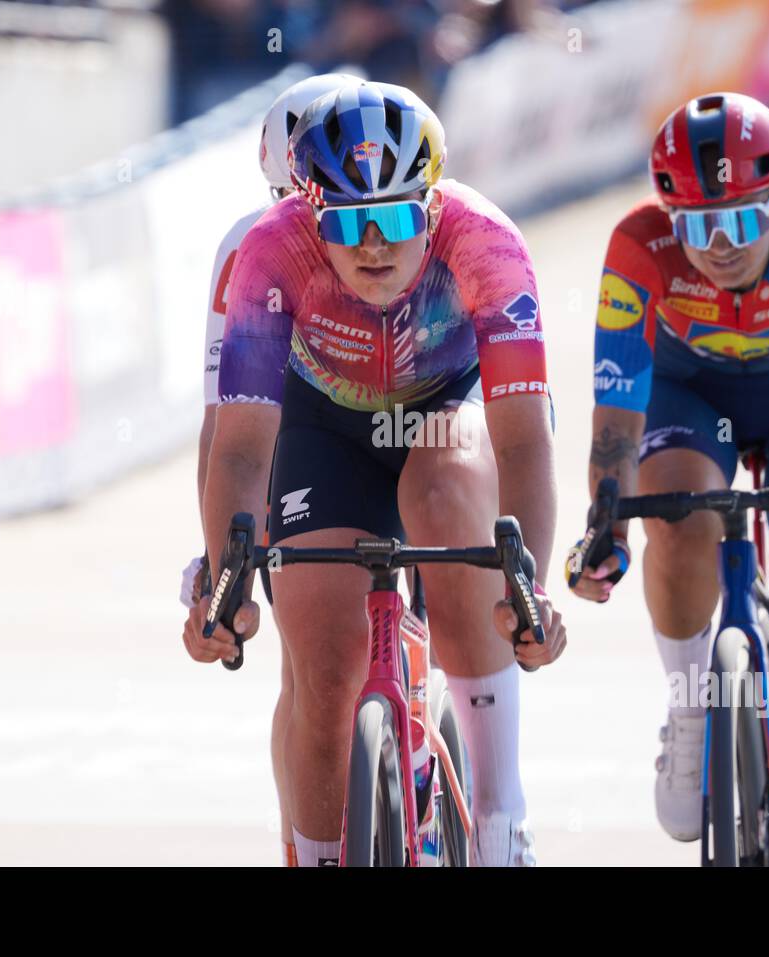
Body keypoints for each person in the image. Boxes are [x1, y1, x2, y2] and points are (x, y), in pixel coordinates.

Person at [184, 79, 567, 866]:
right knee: (323, 673)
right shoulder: (266, 250)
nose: (374, 245)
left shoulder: (487, 242)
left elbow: (524, 440)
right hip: (330, 426)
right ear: (308, 212)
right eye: (351, 223)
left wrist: (527, 591)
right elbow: (240, 445)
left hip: (449, 406)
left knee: (446, 492)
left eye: (395, 218)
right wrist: (227, 585)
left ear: (431, 207)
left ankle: (501, 814)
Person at [568, 92, 769, 866]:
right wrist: (606, 530)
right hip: (691, 396)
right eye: (697, 226)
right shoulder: (637, 245)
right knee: (678, 528)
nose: (719, 245)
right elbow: (617, 417)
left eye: (743, 221)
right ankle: (690, 709)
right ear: (668, 216)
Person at [179, 72, 363, 868]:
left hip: (399, 418)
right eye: (294, 206)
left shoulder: (403, 222)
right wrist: (224, 565)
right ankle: (308, 848)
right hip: (296, 434)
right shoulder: (247, 250)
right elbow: (225, 422)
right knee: (309, 663)